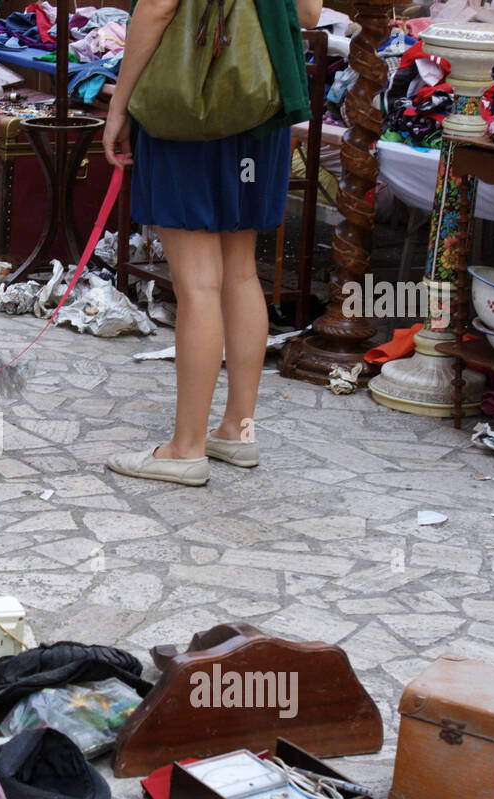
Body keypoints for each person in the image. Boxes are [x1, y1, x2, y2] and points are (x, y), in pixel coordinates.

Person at [104, 0, 324, 486]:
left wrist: (118, 106)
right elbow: (309, 14)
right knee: (241, 270)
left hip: (187, 103)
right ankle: (238, 431)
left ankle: (185, 448)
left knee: (198, 283)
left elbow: (159, 8)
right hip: (258, 97)